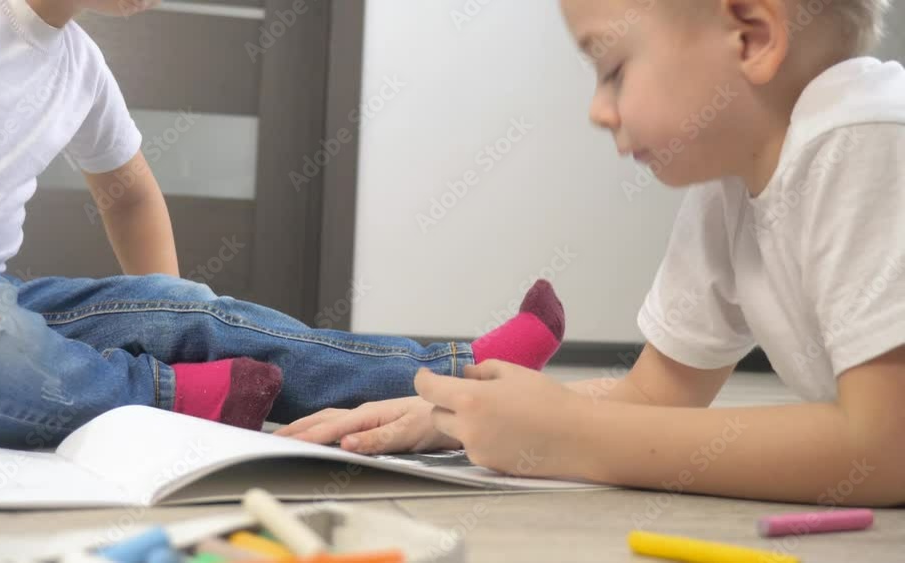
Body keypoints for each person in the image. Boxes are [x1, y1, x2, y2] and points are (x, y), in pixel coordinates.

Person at [280, 0, 905, 507]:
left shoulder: (865, 136)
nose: (597, 110)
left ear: (751, 36)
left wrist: (571, 436)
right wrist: (450, 417)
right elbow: (655, 397)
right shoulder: (729, 187)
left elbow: (884, 448)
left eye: (614, 69)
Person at [0, 0, 566, 448]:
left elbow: (130, 196)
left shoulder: (82, 70)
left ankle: (460, 374)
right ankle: (167, 398)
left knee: (191, 312)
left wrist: (160, 310)